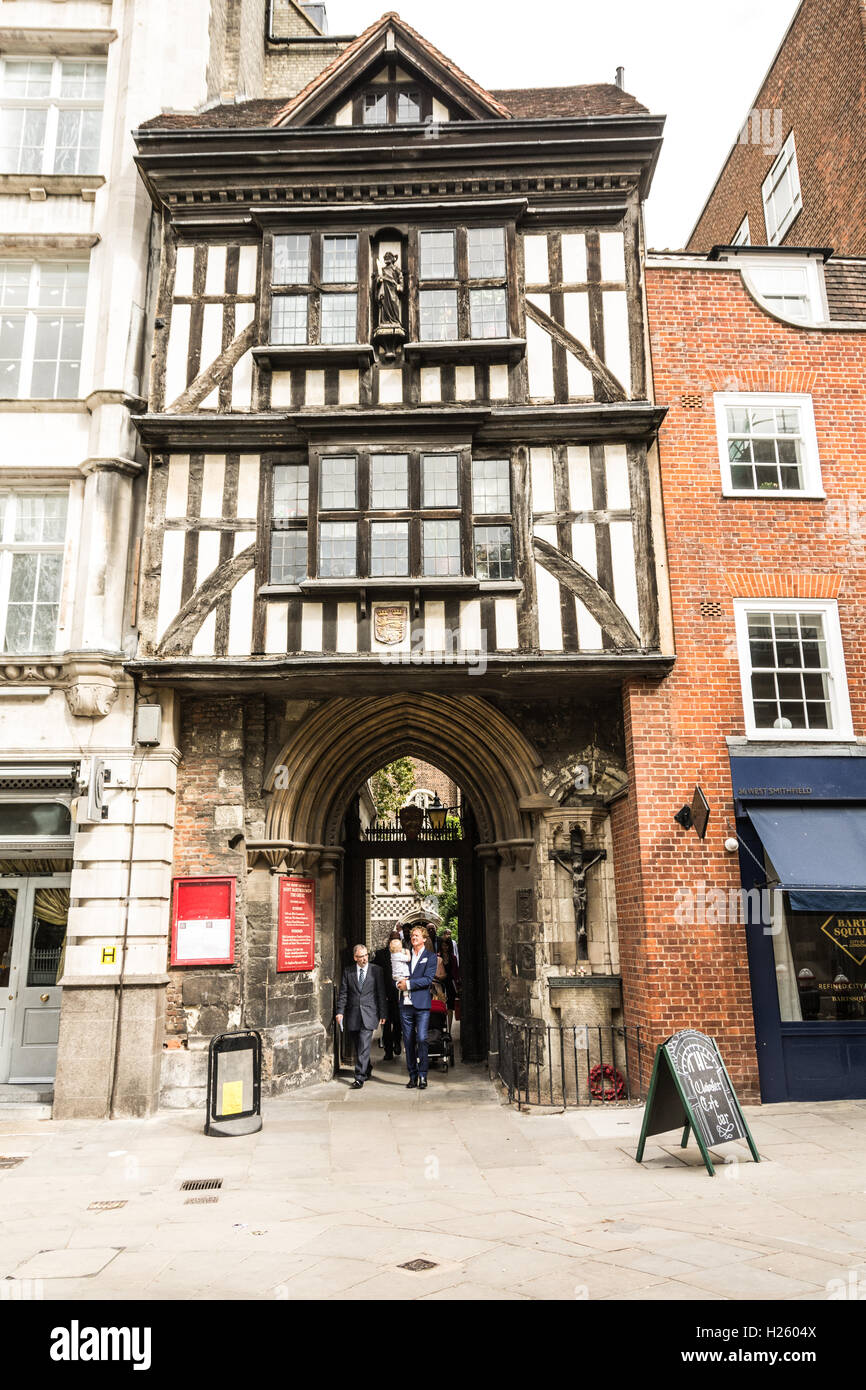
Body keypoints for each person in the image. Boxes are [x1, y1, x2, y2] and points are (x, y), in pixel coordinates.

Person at [336, 944, 387, 1089]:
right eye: (361, 956)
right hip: (353, 1014)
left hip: (369, 1013)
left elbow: (381, 993)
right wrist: (340, 1012)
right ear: (355, 958)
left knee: (364, 1044)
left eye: (366, 955)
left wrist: (383, 1013)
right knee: (358, 1046)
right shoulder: (348, 971)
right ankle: (367, 1068)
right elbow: (344, 993)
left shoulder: (376, 971)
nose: (364, 959)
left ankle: (359, 1077)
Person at [397, 925, 439, 1090]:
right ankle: (412, 1076)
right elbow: (397, 973)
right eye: (412, 935)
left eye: (417, 935)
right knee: (408, 1041)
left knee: (421, 1038)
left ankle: (423, 1075)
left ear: (424, 939)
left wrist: (407, 983)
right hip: (405, 1005)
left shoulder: (430, 957)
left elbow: (428, 980)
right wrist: (398, 982)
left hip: (421, 1004)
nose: (413, 937)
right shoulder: (404, 955)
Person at [372, 928, 403, 1060]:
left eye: (397, 939)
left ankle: (397, 1043)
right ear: (389, 940)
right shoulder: (380, 954)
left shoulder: (404, 955)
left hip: (400, 995)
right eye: (392, 938)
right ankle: (388, 1050)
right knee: (386, 1023)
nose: (394, 941)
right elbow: (374, 974)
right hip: (385, 995)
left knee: (398, 1023)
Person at [439, 930, 461, 1035]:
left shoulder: (453, 958)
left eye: (446, 945)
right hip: (440, 985)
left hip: (450, 984)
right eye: (443, 945)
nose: (445, 947)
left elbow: (456, 972)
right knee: (441, 1006)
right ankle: (443, 1028)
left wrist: (457, 986)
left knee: (450, 1007)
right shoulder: (437, 957)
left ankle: (449, 1030)